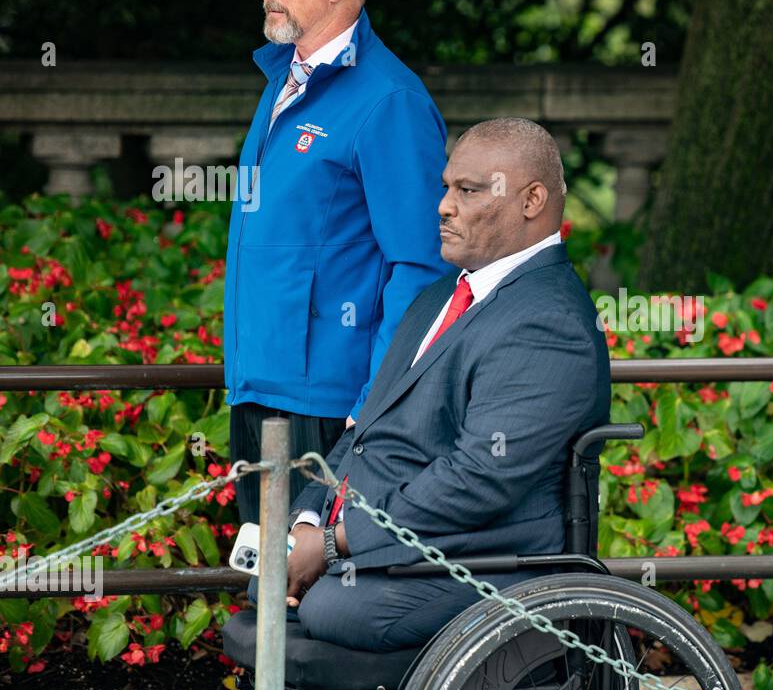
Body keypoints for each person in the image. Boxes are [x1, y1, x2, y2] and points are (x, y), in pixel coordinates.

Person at [243, 118, 610, 652]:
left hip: (485, 556)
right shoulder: (438, 298)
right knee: (273, 587)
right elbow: (364, 429)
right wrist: (309, 520)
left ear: (532, 200)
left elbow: (481, 477)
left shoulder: (547, 320)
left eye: (468, 190)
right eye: (445, 187)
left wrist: (332, 545)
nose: (443, 205)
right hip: (394, 541)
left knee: (331, 605)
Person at [224, 0, 453, 525]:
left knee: (308, 608)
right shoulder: (283, 78)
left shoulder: (390, 101)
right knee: (265, 598)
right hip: (256, 390)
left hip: (329, 407)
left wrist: (375, 401)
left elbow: (422, 266)